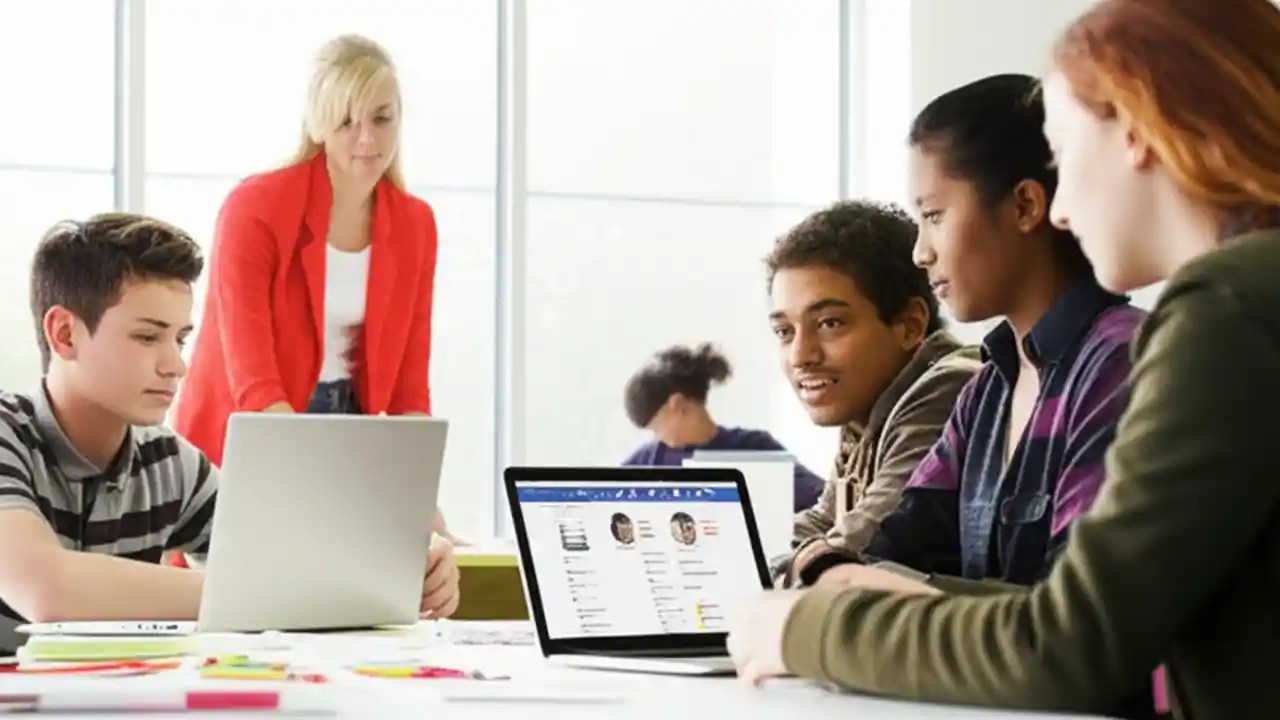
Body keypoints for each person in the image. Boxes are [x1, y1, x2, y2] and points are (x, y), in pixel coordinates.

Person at [728, 1, 1280, 718]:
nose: (1059, 210)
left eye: (1066, 150)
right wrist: (913, 594)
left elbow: (1073, 647)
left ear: (1136, 134)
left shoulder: (1227, 307)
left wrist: (811, 629)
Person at [0, 214, 459, 656]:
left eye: (179, 339)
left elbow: (297, 552)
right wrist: (250, 593)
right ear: (64, 334)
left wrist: (407, 559)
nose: (175, 365)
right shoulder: (8, 435)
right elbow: (48, 588)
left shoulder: (168, 462)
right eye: (146, 337)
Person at [840, 74, 1146, 594]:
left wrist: (872, 589)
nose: (920, 252)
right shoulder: (988, 388)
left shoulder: (1120, 361)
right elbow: (894, 548)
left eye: (934, 216)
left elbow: (1073, 613)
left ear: (1026, 206)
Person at [174, 35, 440, 463]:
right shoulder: (255, 208)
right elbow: (253, 378)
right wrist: (303, 467)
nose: (367, 138)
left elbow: (411, 384)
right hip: (253, 426)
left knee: (413, 530)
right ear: (318, 125)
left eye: (382, 118)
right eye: (347, 121)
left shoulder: (416, 224)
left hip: (352, 423)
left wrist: (415, 487)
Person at [765, 201, 980, 587]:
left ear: (910, 325)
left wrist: (755, 571)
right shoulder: (868, 407)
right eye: (784, 332)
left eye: (830, 324)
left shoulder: (947, 388)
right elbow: (824, 522)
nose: (801, 356)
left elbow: (861, 546)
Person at [622, 343, 824, 512]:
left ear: (677, 405)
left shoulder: (753, 449)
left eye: (656, 428)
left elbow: (823, 500)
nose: (657, 438)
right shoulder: (645, 462)